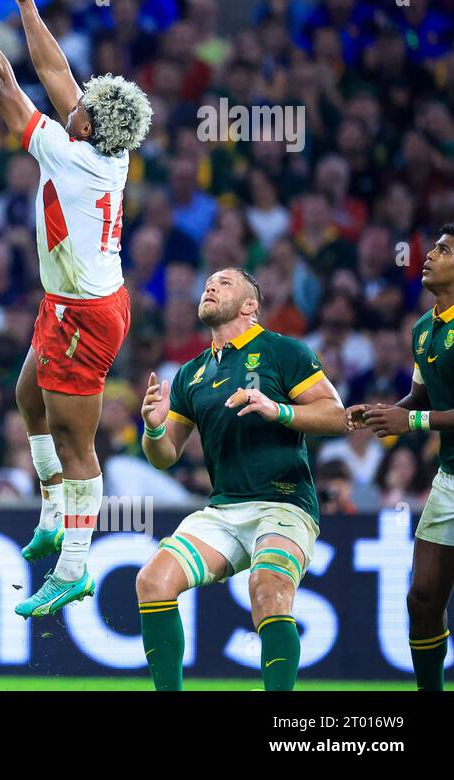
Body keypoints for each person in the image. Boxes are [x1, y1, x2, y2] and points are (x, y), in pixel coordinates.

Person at [0, 0, 152, 617]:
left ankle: (76, 568)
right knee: (29, 396)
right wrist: (26, 7)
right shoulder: (105, 147)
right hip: (73, 299)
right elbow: (54, 72)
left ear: (85, 124)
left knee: (78, 443)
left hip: (88, 315)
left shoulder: (68, 154)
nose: (72, 100)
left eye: (80, 105)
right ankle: (54, 509)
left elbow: (3, 86)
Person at [136, 268, 346, 690]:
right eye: (209, 283)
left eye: (225, 282)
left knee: (267, 586)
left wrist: (278, 410)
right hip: (225, 508)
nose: (210, 286)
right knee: (152, 581)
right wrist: (154, 428)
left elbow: (337, 416)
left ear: (250, 305)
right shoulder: (190, 373)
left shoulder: (282, 351)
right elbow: (164, 457)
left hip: (284, 502)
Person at [348, 223, 454, 689]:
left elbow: (420, 418)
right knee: (422, 598)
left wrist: (408, 423)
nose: (429, 254)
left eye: (445, 250)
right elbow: (421, 397)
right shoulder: (423, 329)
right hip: (449, 478)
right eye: (433, 247)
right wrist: (384, 413)